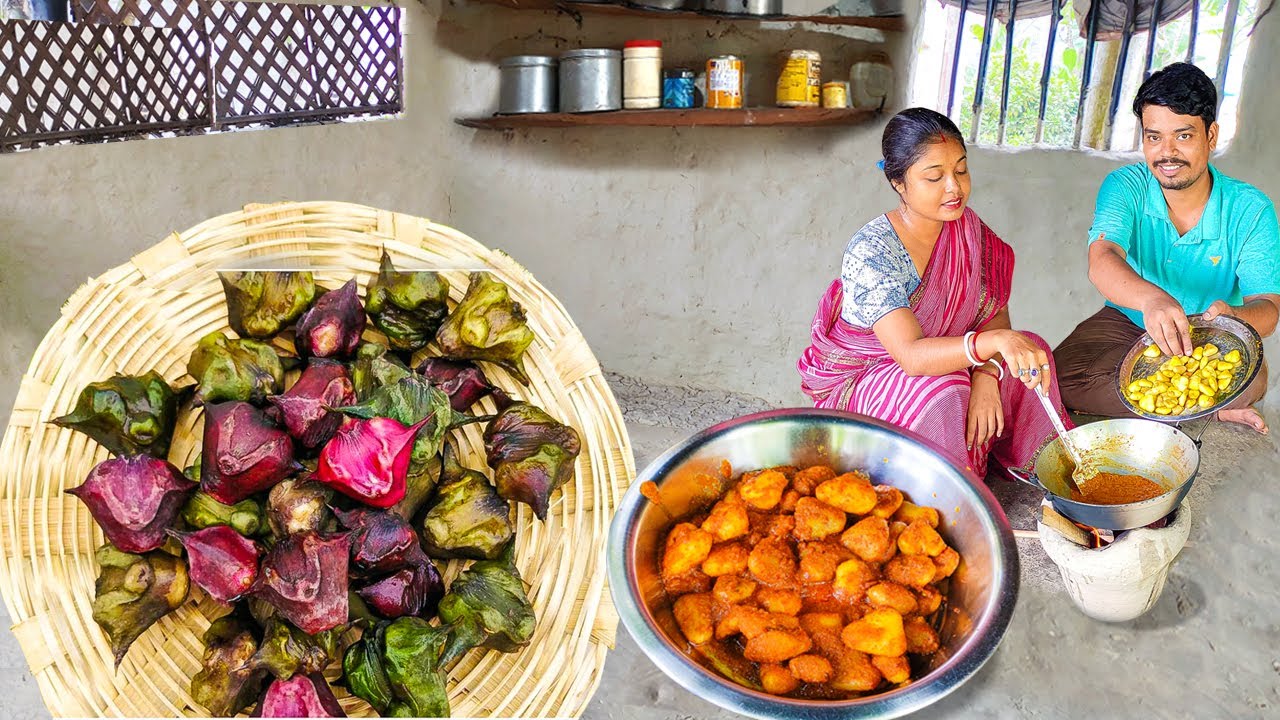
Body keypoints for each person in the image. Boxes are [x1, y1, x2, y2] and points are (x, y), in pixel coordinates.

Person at [797, 107, 1071, 479]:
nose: (954, 188)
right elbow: (911, 357)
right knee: (944, 388)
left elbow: (994, 313)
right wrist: (990, 346)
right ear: (898, 181)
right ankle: (947, 489)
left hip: (950, 360)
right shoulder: (873, 251)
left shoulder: (967, 229)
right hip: (872, 379)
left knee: (1029, 351)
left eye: (961, 170)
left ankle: (1049, 473)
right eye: (934, 176)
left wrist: (987, 374)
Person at [1054, 63, 1280, 434]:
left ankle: (1169, 399)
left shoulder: (1250, 209)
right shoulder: (1126, 185)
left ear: (1210, 136)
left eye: (1183, 136)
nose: (1167, 153)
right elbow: (1102, 258)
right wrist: (1152, 301)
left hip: (1210, 335)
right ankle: (1199, 406)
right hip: (1130, 322)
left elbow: (1268, 309)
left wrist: (1233, 317)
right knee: (1058, 379)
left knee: (1251, 383)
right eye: (1154, 137)